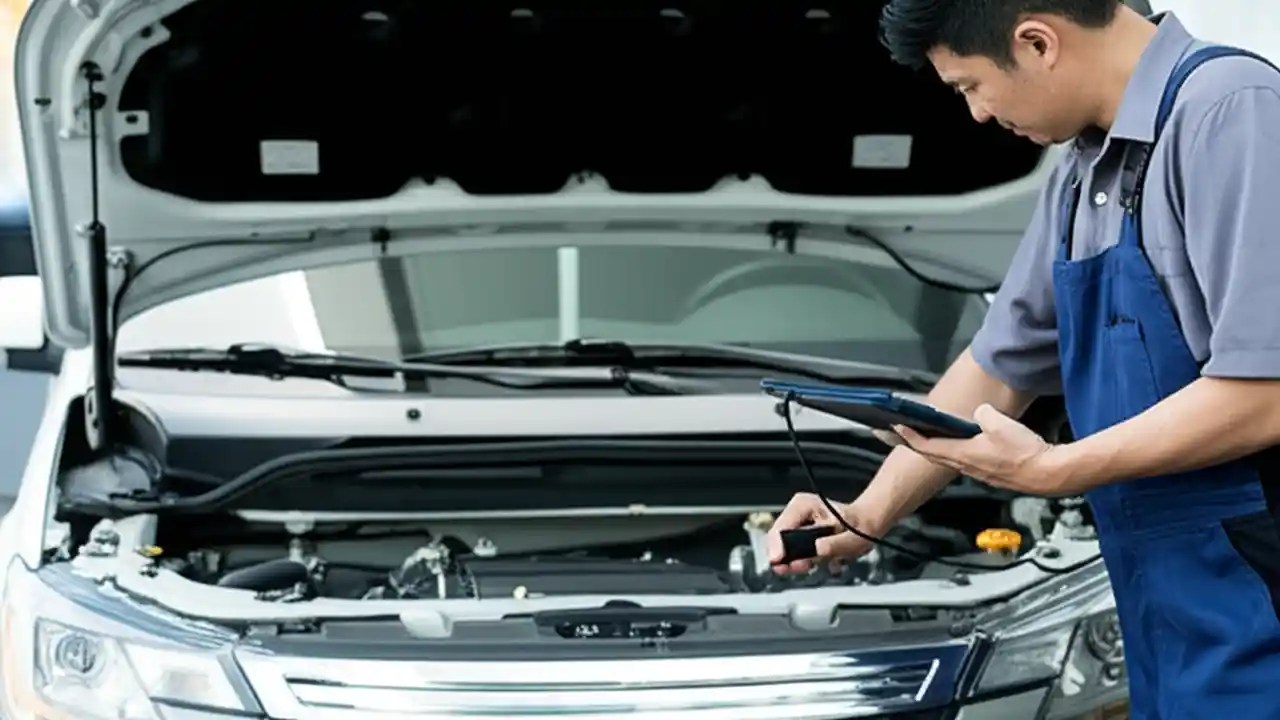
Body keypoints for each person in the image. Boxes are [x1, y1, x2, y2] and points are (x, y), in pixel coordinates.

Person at [766, 1, 1280, 716]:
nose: (976, 114)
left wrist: (1055, 469)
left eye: (970, 86)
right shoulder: (1080, 171)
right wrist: (865, 515)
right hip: (1166, 612)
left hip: (1258, 599)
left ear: (1037, 42)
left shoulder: (1231, 112)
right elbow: (1000, 369)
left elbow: (1265, 393)